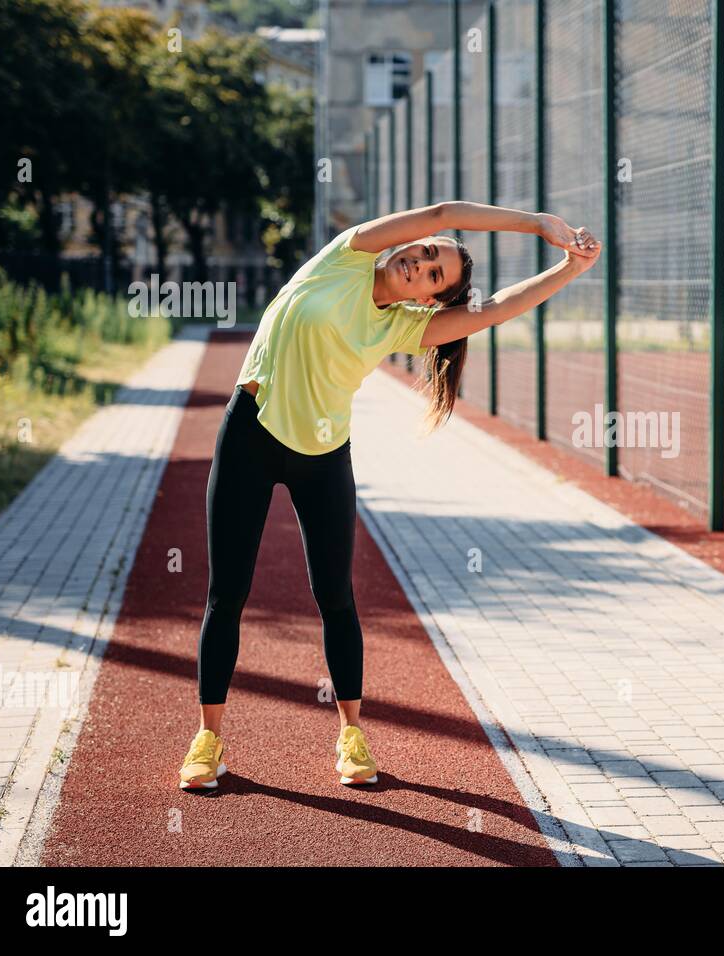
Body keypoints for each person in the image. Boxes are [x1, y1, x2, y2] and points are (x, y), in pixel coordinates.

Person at [179, 201, 600, 789]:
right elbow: (444, 212)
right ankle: (208, 739)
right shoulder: (348, 256)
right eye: (427, 253)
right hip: (250, 432)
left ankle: (351, 733)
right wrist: (538, 224)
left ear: (430, 300)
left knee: (336, 596)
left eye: (435, 276)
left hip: (322, 454)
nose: (421, 264)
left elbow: (498, 308)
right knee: (227, 593)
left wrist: (567, 271)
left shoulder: (404, 324)